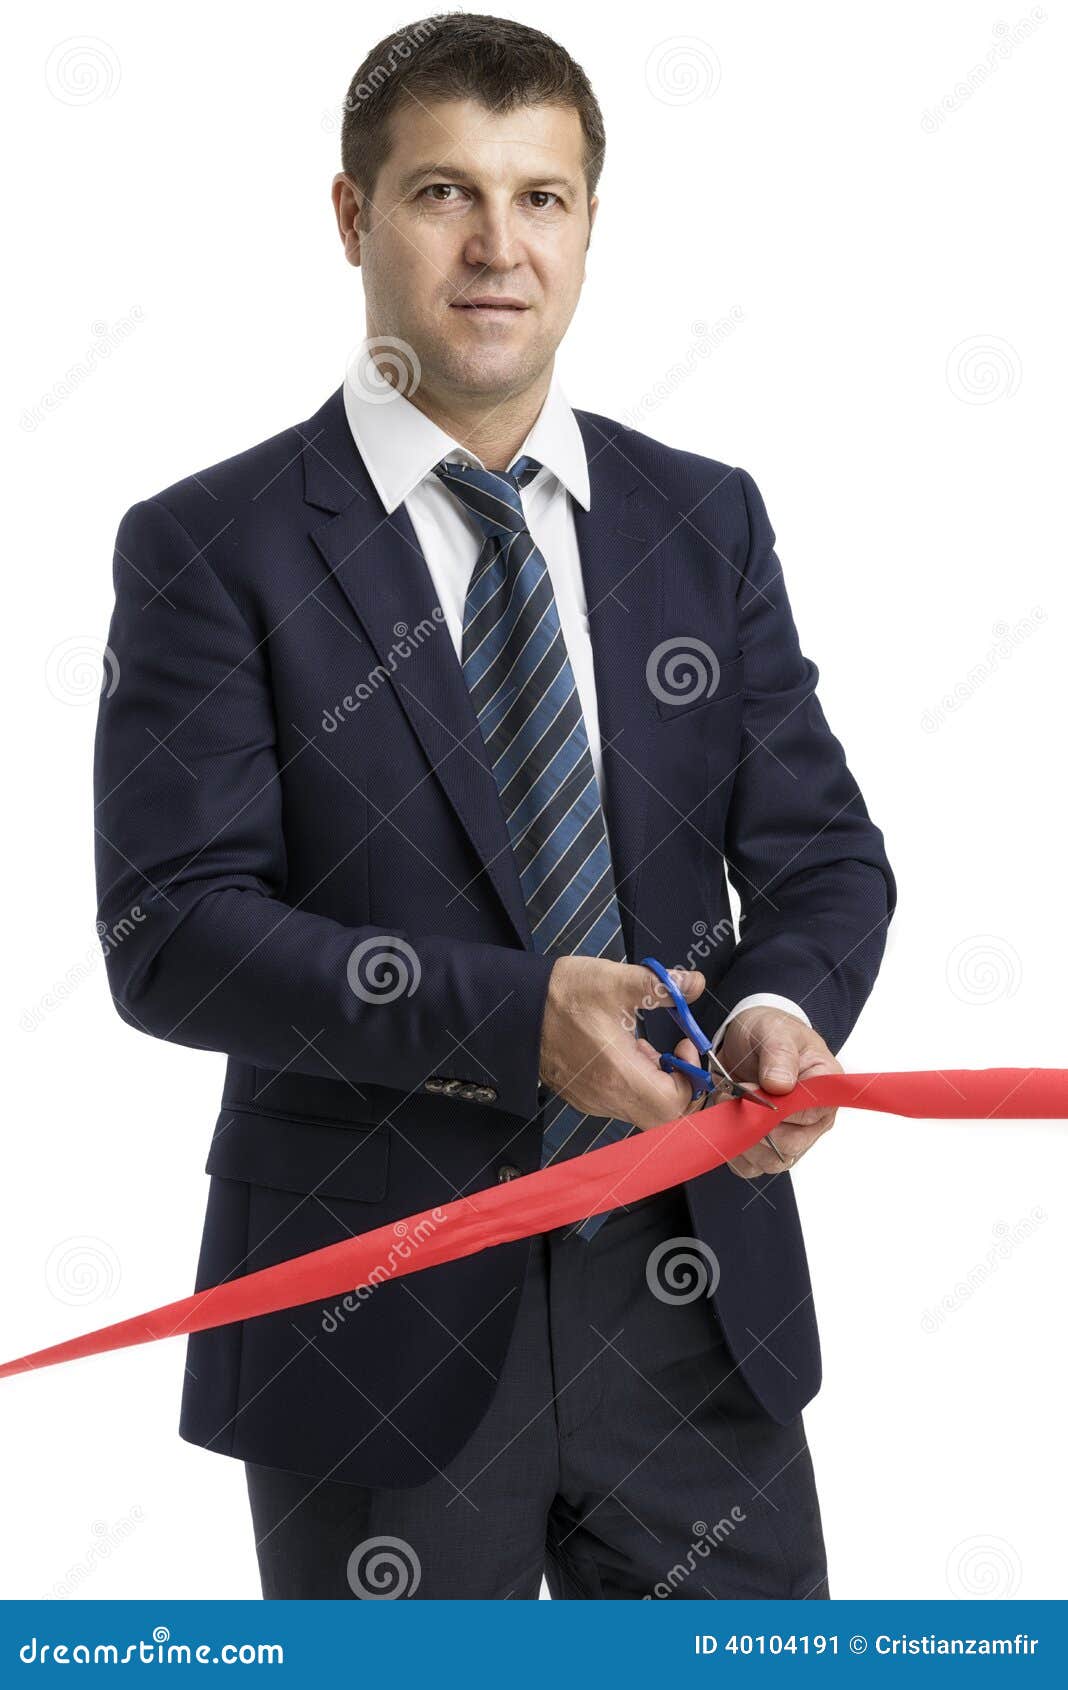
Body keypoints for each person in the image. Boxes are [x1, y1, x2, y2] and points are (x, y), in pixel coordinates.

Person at [93, 12, 896, 1600]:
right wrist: (515, 1018)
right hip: (373, 1310)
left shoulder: (701, 519)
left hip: (693, 1298)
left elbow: (819, 857)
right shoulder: (214, 545)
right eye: (442, 193)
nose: (496, 247)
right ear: (352, 217)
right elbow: (170, 931)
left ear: (592, 225)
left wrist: (785, 1006)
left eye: (542, 199)